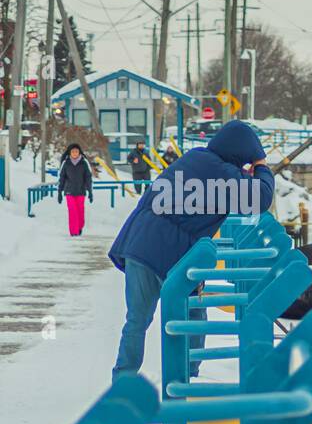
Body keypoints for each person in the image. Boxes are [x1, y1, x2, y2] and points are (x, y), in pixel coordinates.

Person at [108, 119, 274, 381]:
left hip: (138, 245)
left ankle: (122, 382)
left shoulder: (196, 158)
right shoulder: (222, 173)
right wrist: (262, 166)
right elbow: (261, 198)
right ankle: (188, 380)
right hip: (170, 256)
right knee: (195, 316)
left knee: (137, 321)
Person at [57, 144, 94, 237]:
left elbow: (88, 178)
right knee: (72, 211)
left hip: (81, 191)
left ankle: (79, 227)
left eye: (76, 151)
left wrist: (90, 192)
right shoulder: (66, 163)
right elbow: (61, 178)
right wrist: (59, 192)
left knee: (80, 211)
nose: (75, 153)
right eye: (73, 152)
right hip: (69, 191)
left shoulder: (84, 163)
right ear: (70, 153)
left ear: (79, 152)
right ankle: (74, 231)